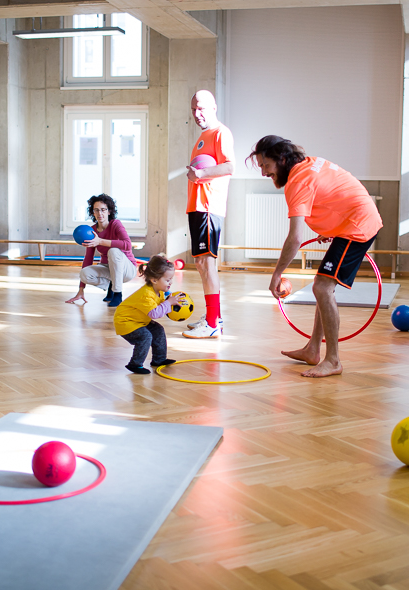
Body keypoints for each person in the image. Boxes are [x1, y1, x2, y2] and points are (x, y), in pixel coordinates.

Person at [248, 135, 383, 378]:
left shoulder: (297, 182)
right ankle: (313, 350)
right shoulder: (308, 163)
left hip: (358, 226)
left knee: (322, 287)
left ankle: (333, 361)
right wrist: (333, 227)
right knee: (322, 285)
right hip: (353, 222)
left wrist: (277, 273)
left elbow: (295, 238)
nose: (264, 173)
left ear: (282, 159)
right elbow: (336, 194)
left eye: (266, 165)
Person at [182, 90, 235, 339]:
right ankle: (214, 317)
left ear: (213, 107)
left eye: (201, 108)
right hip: (197, 206)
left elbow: (230, 166)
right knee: (201, 263)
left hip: (208, 206)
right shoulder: (203, 136)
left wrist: (200, 174)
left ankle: (213, 323)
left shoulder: (221, 132)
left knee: (206, 262)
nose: (197, 113)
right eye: (193, 109)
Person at [66, 194, 138, 307]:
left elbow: (127, 245)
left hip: (127, 270)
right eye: (96, 210)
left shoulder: (116, 224)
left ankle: (117, 294)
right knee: (84, 273)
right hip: (108, 268)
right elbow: (88, 258)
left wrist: (100, 241)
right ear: (93, 213)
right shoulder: (92, 231)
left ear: (109, 211)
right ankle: (111, 284)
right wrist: (81, 290)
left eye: (103, 210)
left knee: (113, 251)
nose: (100, 213)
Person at [113, 256, 181, 374]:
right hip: (126, 322)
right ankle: (135, 364)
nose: (171, 282)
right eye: (168, 280)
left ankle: (159, 359)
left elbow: (161, 307)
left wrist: (169, 302)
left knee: (158, 330)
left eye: (171, 279)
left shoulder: (159, 291)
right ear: (154, 280)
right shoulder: (146, 294)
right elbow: (155, 313)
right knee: (145, 336)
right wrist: (168, 303)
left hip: (139, 321)